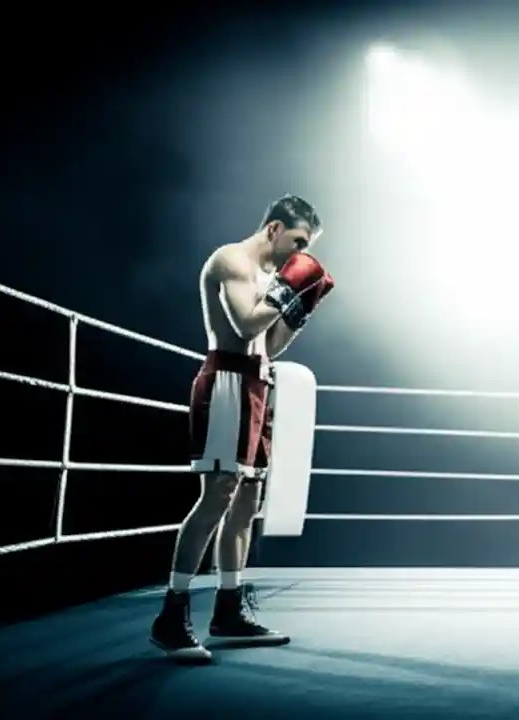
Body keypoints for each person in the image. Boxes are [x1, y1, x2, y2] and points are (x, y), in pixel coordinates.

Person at [150, 194, 335, 663]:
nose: (298, 255)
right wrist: (284, 292)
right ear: (274, 228)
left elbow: (269, 343)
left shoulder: (272, 277)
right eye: (296, 242)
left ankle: (228, 610)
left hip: (256, 382)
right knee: (217, 494)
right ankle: (171, 615)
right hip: (227, 381)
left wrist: (300, 307)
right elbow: (244, 321)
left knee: (248, 502)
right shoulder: (229, 260)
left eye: (305, 248)